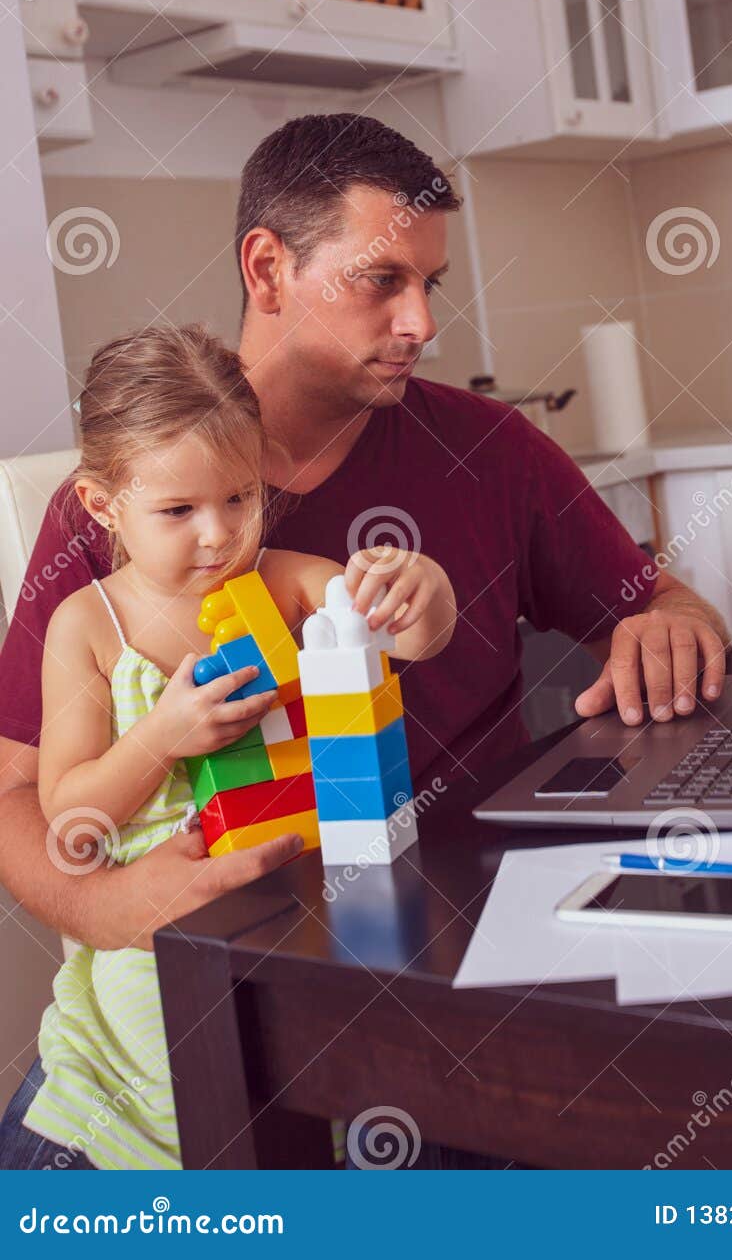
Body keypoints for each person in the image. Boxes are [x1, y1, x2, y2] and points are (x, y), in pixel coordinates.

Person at [0, 112, 728, 1167]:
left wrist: (671, 625)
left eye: (431, 282)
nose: (422, 320)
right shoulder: (122, 514)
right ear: (268, 269)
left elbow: (658, 598)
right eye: (382, 279)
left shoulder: (492, 452)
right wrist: (114, 905)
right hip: (168, 1006)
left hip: (435, 978)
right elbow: (22, 793)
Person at [20, 323, 455, 1169]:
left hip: (306, 902)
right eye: (177, 511)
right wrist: (161, 735)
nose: (218, 536)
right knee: (197, 1098)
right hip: (162, 936)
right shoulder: (88, 629)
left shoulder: (287, 583)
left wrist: (423, 594)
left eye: (240, 498)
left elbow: (407, 640)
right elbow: (69, 815)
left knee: (335, 1078)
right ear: (103, 506)